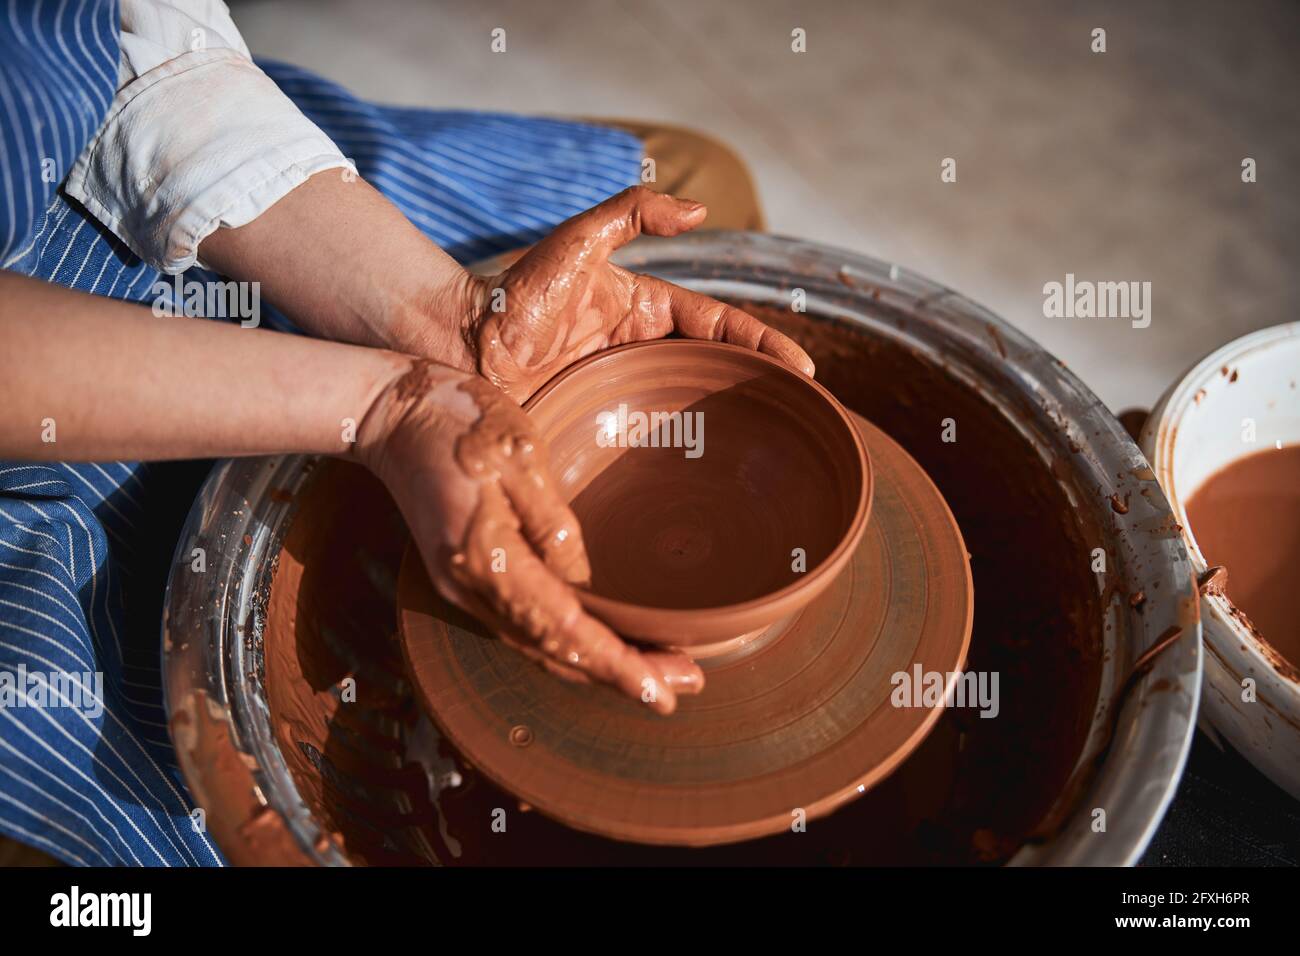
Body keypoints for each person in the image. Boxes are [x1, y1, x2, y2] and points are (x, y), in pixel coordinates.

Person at [0, 0, 811, 865]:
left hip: (146, 173)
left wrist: (445, 321)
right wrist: (388, 407)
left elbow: (130, 39)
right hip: (36, 463)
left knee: (703, 178)